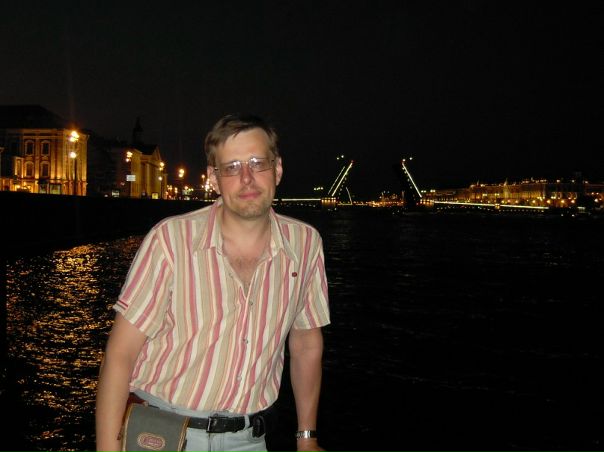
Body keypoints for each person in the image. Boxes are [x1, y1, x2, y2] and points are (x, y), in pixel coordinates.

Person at [95, 114, 330, 452]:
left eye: (257, 163)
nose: (247, 178)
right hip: (161, 435)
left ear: (277, 169)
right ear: (214, 178)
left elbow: (306, 344)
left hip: (249, 440)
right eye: (231, 168)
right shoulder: (170, 240)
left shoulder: (306, 245)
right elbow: (120, 354)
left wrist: (307, 438)